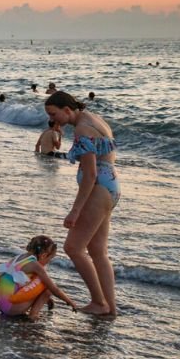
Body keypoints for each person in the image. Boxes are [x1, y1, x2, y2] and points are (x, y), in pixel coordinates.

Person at [45, 92, 120, 316]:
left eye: (54, 114)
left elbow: (90, 174)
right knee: (98, 251)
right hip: (111, 185)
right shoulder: (95, 120)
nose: (53, 120)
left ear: (67, 109)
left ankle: (99, 302)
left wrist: (74, 211)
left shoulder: (82, 129)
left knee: (73, 248)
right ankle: (110, 308)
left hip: (97, 187)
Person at [0, 236, 76, 320]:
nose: (48, 262)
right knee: (48, 289)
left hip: (1, 305)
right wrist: (70, 302)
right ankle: (33, 315)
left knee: (36, 282)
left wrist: (46, 299)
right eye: (49, 259)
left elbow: (23, 284)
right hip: (11, 309)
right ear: (44, 255)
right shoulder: (35, 265)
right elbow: (54, 289)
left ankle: (28, 310)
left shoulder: (18, 258)